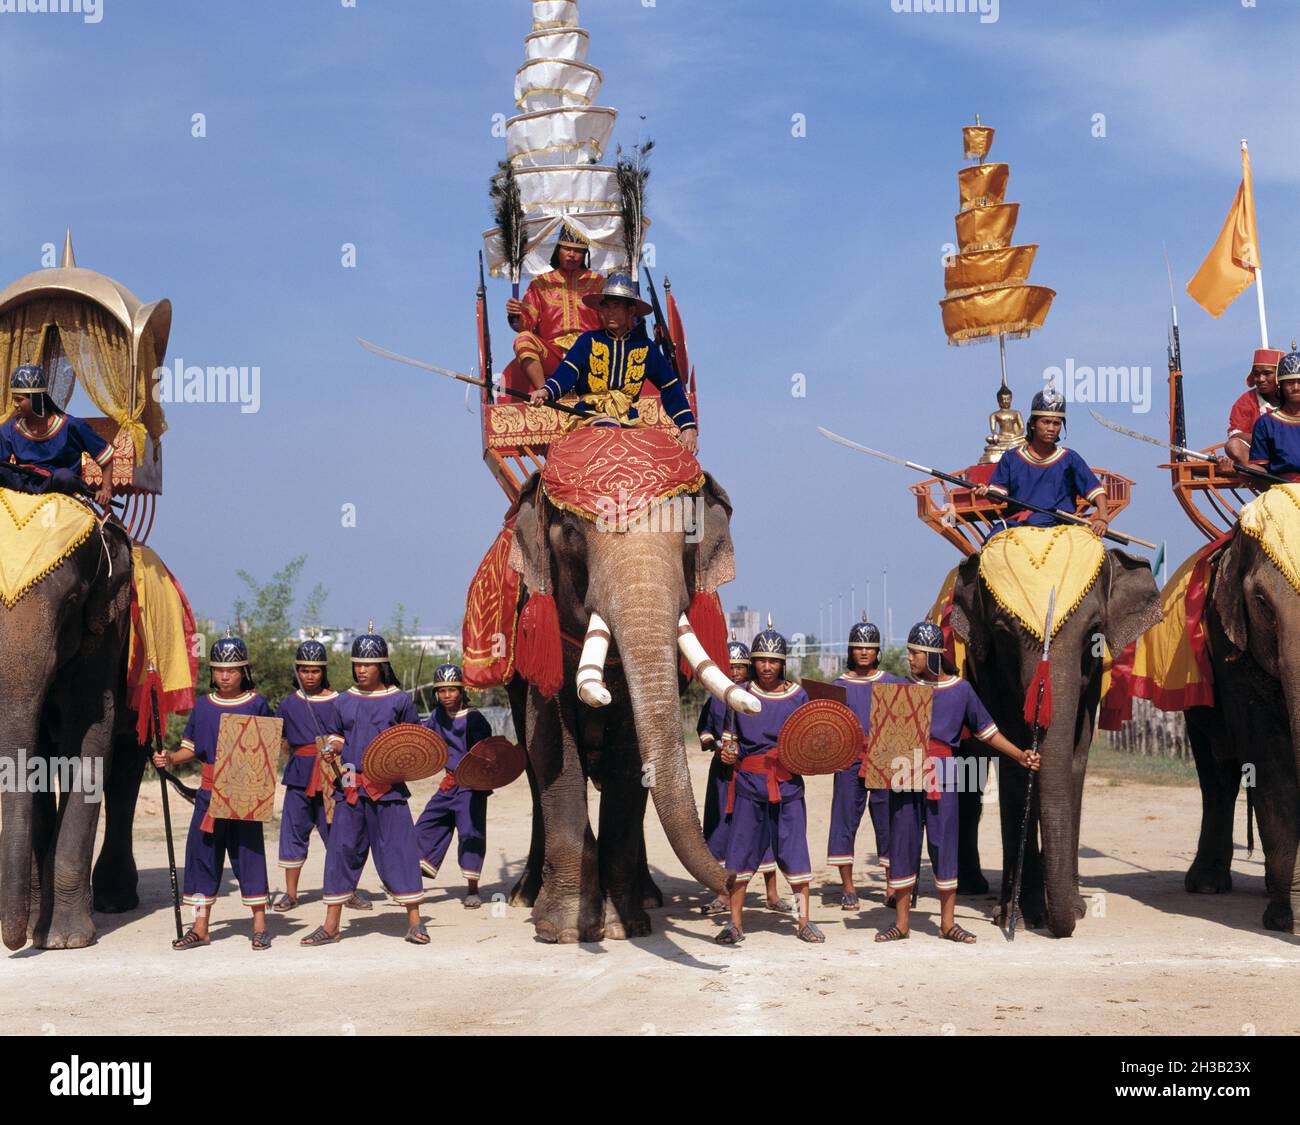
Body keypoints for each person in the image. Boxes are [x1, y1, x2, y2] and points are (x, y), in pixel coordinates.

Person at [875, 623, 1039, 945]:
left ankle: (948, 924)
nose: (908, 658)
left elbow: (986, 731)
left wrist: (1019, 755)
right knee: (904, 843)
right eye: (909, 652)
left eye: (914, 653)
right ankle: (902, 923)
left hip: (945, 771)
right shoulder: (901, 687)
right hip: (905, 770)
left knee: (945, 844)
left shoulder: (961, 690)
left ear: (933, 656)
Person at [301, 624, 428, 946]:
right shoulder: (342, 701)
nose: (361, 670)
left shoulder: (399, 701)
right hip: (350, 787)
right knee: (340, 852)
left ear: (381, 666)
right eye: (357, 664)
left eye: (367, 664)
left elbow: (411, 744)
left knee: (400, 852)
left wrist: (402, 758)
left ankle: (415, 922)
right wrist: (332, 746)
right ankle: (331, 925)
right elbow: (337, 735)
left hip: (389, 791)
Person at [152, 633, 273, 951]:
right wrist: (170, 759)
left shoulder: (257, 703)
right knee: (202, 857)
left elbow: (268, 748)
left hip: (244, 793)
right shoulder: (203, 706)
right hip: (208, 796)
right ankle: (201, 927)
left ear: (243, 671)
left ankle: (259, 926)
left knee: (249, 856)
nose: (225, 675)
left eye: (231, 670)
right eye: (219, 669)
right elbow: (189, 749)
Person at [715, 620, 820, 946]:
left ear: (782, 662)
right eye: (761, 659)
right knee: (740, 856)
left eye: (773, 660)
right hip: (748, 786)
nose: (766, 666)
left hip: (787, 786)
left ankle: (804, 920)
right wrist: (727, 753)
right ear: (753, 661)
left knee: (796, 855)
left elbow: (810, 741)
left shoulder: (797, 695)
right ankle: (735, 924)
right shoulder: (741, 695)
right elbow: (729, 742)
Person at [528, 273, 698, 452]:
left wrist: (688, 426)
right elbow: (566, 373)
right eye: (606, 307)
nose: (609, 312)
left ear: (630, 311)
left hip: (629, 421)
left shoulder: (646, 348)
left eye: (615, 307)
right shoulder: (588, 341)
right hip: (588, 417)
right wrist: (546, 391)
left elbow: (670, 387)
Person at [273, 638, 368, 913]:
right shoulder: (288, 704)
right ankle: (291, 894)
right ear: (297, 672)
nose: (309, 675)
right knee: (292, 835)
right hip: (299, 777)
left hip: (334, 776)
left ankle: (346, 891)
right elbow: (275, 739)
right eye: (304, 670)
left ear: (323, 671)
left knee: (340, 835)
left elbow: (352, 740)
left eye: (314, 670)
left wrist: (350, 782)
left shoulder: (340, 701)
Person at [695, 638, 788, 917]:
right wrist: (717, 745)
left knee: (765, 830)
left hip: (753, 773)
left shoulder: (758, 696)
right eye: (729, 666)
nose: (734, 672)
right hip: (723, 776)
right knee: (722, 830)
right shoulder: (716, 699)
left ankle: (772, 894)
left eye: (740, 666)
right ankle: (723, 894)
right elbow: (705, 731)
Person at [827, 618, 900, 912]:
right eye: (858, 647)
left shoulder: (893, 682)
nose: (864, 652)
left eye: (869, 647)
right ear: (850, 650)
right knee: (844, 821)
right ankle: (847, 887)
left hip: (884, 758)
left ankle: (892, 884)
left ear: (878, 650)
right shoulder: (837, 686)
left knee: (888, 822)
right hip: (848, 759)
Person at [976, 386, 1109, 536]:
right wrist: (987, 492)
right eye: (1046, 422)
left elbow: (1096, 491)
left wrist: (1102, 519)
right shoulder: (1011, 458)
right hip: (1018, 525)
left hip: (1062, 525)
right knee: (989, 547)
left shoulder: (1070, 458)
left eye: (1056, 423)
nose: (1051, 428)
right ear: (1033, 424)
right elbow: (997, 496)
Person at [414, 664, 493, 909]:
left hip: (471, 785)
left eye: (452, 690)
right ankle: (413, 879)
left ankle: (472, 889)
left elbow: (485, 750)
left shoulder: (474, 718)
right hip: (449, 783)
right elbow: (423, 734)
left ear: (461, 691)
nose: (447, 695)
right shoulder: (437, 715)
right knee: (426, 824)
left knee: (470, 833)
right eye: (442, 691)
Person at [506, 224, 605, 390]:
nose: (572, 255)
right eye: (567, 248)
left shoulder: (599, 283)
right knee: (522, 339)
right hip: (554, 356)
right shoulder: (540, 284)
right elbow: (525, 326)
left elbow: (615, 322)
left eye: (578, 250)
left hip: (593, 354)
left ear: (585, 254)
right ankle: (545, 395)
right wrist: (515, 314)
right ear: (558, 249)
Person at [0, 363, 114, 506]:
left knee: (64, 476)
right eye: (14, 399)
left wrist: (106, 489)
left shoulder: (72, 426)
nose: (15, 404)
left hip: (59, 485)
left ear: (36, 399)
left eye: (19, 399)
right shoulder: (8, 430)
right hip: (23, 488)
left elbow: (106, 458)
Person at [1222, 348, 1284, 469]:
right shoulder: (1246, 400)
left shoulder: (1292, 395)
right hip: (1260, 459)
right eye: (1256, 374)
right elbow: (1235, 435)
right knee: (1233, 446)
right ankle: (1265, 478)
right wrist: (1266, 440)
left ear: (1280, 375)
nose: (1261, 379)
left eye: (1267, 373)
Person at [1248, 349, 1300, 479]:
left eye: (1299, 382)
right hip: (1284, 491)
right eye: (1289, 382)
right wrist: (1233, 467)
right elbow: (1259, 469)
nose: (1296, 387)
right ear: (1280, 386)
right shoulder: (1266, 423)